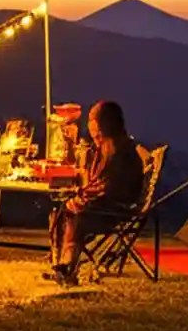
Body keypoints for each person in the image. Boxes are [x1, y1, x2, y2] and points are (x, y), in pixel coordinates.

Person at [45, 100, 144, 285]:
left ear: (104, 124)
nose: (91, 129)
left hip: (114, 209)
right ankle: (60, 264)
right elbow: (97, 182)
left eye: (93, 120)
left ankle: (67, 266)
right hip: (105, 205)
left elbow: (108, 188)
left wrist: (81, 200)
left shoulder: (119, 152)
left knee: (75, 215)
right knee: (63, 210)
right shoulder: (107, 148)